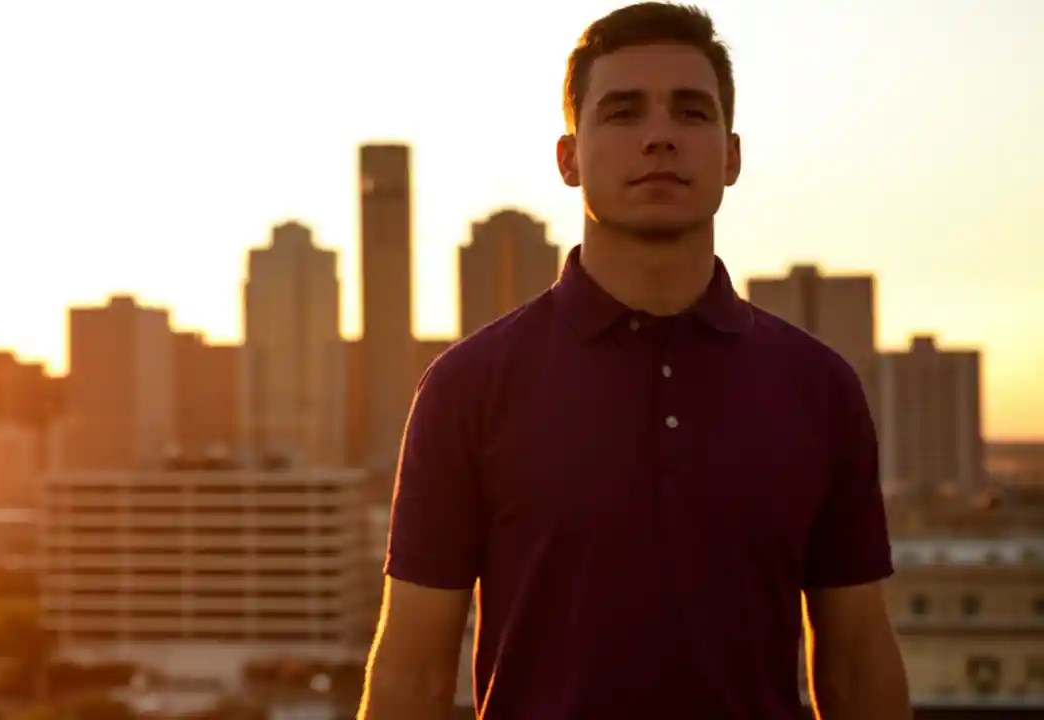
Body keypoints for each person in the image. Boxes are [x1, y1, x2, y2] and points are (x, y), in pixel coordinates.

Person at [358, 3, 912, 719]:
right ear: (569, 158)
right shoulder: (469, 386)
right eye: (623, 114)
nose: (659, 138)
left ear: (731, 155)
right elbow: (409, 677)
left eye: (690, 113)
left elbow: (859, 666)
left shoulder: (819, 386)